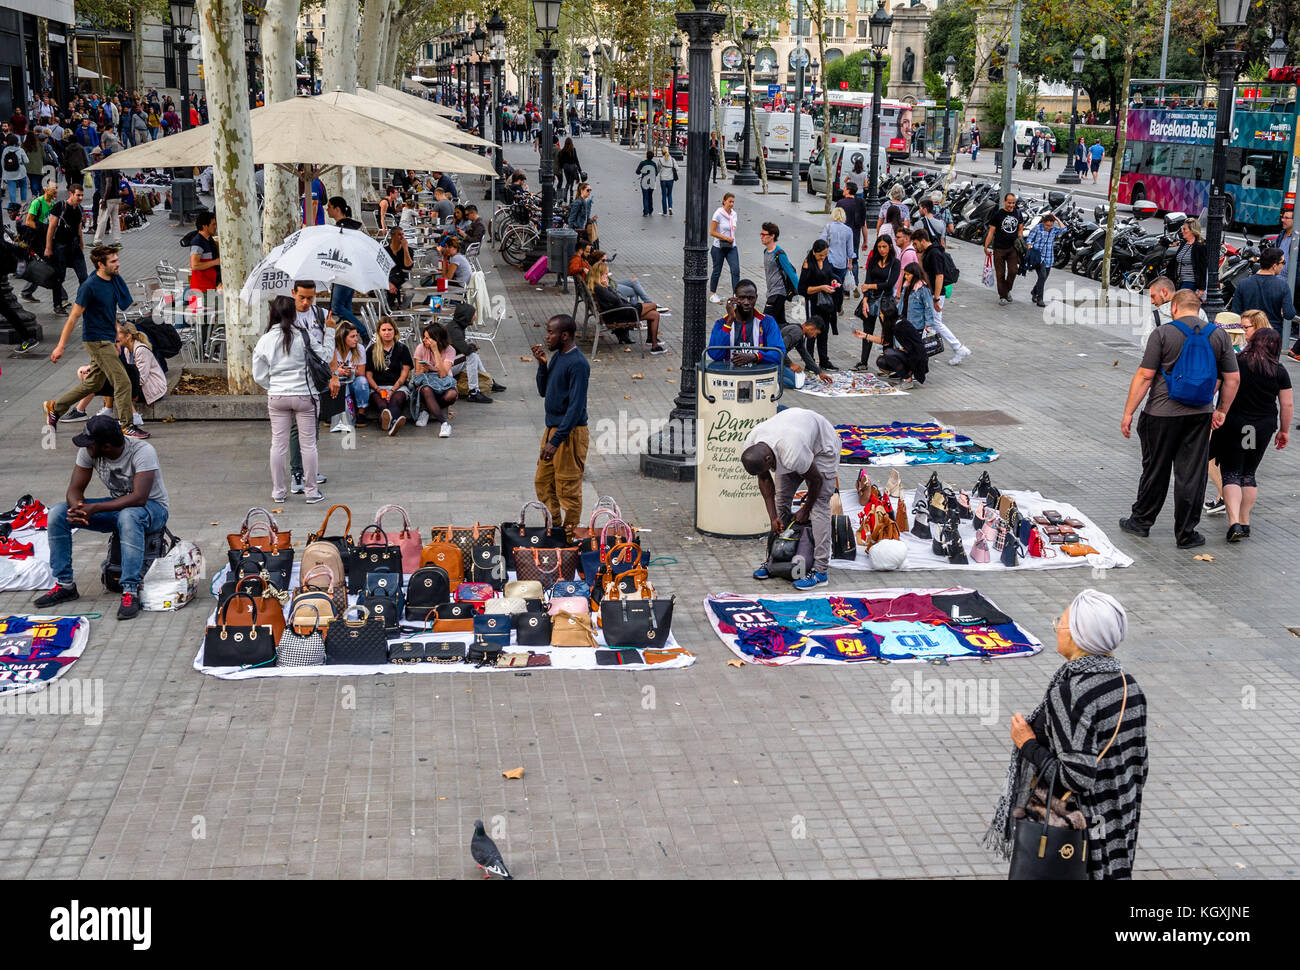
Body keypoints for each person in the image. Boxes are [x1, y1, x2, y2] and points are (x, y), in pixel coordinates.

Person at [985, 589, 1148, 880]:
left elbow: (1076, 777)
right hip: (1119, 820)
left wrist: (1027, 743)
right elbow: (1140, 763)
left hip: (1080, 831)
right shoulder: (1127, 683)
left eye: (1060, 621)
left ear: (1077, 635)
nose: (1056, 627)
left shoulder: (1071, 692)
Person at [1120, 289, 1239, 548]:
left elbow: (1145, 376)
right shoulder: (1218, 334)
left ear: (1174, 308)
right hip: (1199, 415)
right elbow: (1233, 379)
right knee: (1191, 475)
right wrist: (1221, 411)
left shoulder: (1163, 333)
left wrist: (1128, 412)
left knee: (1155, 469)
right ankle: (1186, 534)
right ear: (1198, 309)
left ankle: (1141, 522)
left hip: (1160, 414)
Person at [33, 415, 170, 620]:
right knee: (57, 513)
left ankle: (131, 590)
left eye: (90, 444)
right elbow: (74, 489)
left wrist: (95, 508)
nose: (85, 447)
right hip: (119, 507)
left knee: (129, 516)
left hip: (153, 509)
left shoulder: (142, 452)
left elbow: (140, 498)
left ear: (106, 446)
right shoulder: (89, 450)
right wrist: (77, 508)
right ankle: (65, 585)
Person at [44, 245, 144, 438]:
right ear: (100, 264)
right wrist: (61, 345)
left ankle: (54, 409)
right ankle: (127, 426)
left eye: (117, 260)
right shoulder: (89, 286)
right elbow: (73, 317)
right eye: (113, 261)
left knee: (93, 384)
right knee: (122, 381)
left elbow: (109, 311)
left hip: (107, 338)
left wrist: (116, 335)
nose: (118, 264)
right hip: (96, 340)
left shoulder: (113, 281)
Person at [1206, 327, 1292, 542]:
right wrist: (1284, 430)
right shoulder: (1278, 370)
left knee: (1232, 472)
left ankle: (1233, 520)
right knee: (1248, 474)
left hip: (1234, 423)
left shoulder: (1237, 363)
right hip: (1260, 427)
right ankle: (1245, 522)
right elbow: (1287, 404)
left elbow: (1215, 387)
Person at [743, 407, 841, 591]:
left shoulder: (791, 452)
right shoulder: (752, 443)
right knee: (781, 504)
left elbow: (816, 481)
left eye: (770, 466)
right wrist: (773, 517)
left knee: (818, 506)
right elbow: (764, 479)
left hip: (822, 448)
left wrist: (805, 508)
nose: (770, 470)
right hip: (793, 442)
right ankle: (775, 561)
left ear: (768, 457)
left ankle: (820, 572)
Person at [253, 294, 328, 504]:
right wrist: (328, 332)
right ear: (293, 313)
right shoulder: (304, 336)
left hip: (277, 396)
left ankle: (278, 492)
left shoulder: (265, 339)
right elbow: (323, 355)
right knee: (308, 445)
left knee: (277, 445)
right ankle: (311, 491)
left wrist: (273, 386)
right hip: (305, 395)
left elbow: (258, 374)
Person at [532, 314, 590, 540]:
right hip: (553, 429)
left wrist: (555, 442)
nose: (546, 337)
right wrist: (542, 366)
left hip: (570, 433)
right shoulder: (557, 357)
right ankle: (556, 528)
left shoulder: (578, 364)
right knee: (543, 482)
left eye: (550, 332)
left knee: (568, 489)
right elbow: (543, 391)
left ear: (564, 335)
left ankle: (569, 536)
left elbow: (575, 409)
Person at [855, 260, 934, 389]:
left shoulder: (922, 289)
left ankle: (909, 375)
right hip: (905, 320)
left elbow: (928, 307)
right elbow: (901, 304)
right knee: (890, 352)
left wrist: (928, 324)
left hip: (916, 324)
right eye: (906, 275)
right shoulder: (906, 287)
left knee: (907, 349)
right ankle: (904, 371)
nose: (906, 277)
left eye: (908, 275)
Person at [912, 227, 969, 365]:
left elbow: (939, 276)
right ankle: (925, 351)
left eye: (915, 244)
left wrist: (936, 297)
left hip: (937, 294)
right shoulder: (928, 253)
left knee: (936, 322)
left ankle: (959, 348)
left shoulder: (934, 254)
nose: (914, 247)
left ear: (923, 240)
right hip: (932, 293)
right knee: (932, 323)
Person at [588, 258, 666, 353]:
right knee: (653, 305)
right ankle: (652, 342)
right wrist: (608, 287)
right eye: (605, 274)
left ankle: (653, 343)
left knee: (655, 315)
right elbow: (616, 300)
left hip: (620, 311)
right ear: (599, 274)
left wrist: (607, 287)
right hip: (620, 314)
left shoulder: (599, 286)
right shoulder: (600, 288)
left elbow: (616, 301)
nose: (607, 276)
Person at [706, 279, 785, 370]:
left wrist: (755, 357)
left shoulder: (767, 322)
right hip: (729, 376)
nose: (746, 302)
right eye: (742, 298)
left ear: (756, 298)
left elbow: (779, 353)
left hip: (759, 375)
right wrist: (729, 322)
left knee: (793, 381)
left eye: (750, 298)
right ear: (734, 298)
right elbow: (715, 355)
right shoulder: (722, 323)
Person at [853, 235, 900, 371]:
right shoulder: (873, 260)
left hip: (886, 302)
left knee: (887, 332)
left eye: (884, 246)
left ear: (890, 246)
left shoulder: (895, 263)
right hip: (871, 300)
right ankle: (863, 362)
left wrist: (870, 286)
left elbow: (889, 284)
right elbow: (867, 280)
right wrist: (865, 300)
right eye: (879, 247)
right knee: (867, 330)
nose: (882, 249)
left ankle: (889, 363)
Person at [365, 316, 414, 437]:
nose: (387, 333)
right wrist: (378, 389)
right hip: (377, 386)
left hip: (397, 386)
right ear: (379, 332)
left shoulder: (402, 349)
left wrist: (392, 390)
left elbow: (404, 374)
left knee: (396, 400)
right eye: (384, 330)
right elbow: (368, 374)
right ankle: (391, 423)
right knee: (381, 403)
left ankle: (388, 423)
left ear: (395, 331)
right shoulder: (372, 350)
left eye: (390, 329)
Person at [412, 322, 461, 437]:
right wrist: (425, 369)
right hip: (427, 381)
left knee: (452, 394)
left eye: (427, 338)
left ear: (437, 340)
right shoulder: (420, 348)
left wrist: (435, 351)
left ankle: (427, 411)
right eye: (424, 337)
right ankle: (444, 424)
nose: (424, 340)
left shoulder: (450, 350)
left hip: (443, 381)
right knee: (427, 390)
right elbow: (418, 373)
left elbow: (443, 374)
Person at [798, 239, 840, 371]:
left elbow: (829, 273)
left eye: (825, 255)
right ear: (814, 252)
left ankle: (824, 360)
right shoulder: (807, 264)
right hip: (813, 302)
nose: (823, 257)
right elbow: (803, 289)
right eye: (821, 255)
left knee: (824, 331)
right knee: (811, 332)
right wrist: (821, 287)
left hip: (825, 303)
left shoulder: (826, 260)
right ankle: (809, 361)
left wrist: (833, 280)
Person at [1230, 247, 1293, 332]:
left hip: (1248, 332)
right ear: (1274, 266)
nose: (1284, 265)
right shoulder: (1282, 286)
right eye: (1283, 262)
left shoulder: (1243, 284)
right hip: (1272, 333)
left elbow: (1236, 312)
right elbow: (1289, 314)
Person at [327, 321, 369, 433]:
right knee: (329, 381)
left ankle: (361, 413)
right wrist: (337, 372)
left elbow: (361, 372)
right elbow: (326, 371)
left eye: (356, 336)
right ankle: (330, 414)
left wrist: (350, 371)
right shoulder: (333, 349)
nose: (356, 339)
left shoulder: (359, 348)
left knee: (362, 381)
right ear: (342, 338)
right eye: (352, 336)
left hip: (353, 382)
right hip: (337, 382)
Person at [984, 192, 1025, 305]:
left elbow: (1020, 228)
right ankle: (1003, 295)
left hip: (1013, 248)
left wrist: (1020, 239)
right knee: (1000, 274)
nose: (1011, 205)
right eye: (1009, 203)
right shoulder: (998, 215)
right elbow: (991, 231)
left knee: (1013, 271)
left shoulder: (1017, 213)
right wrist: (986, 246)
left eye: (1013, 203)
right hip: (999, 248)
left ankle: (1006, 290)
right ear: (1004, 202)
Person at [760, 222, 800, 329]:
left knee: (764, 323)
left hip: (778, 293)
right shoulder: (766, 251)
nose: (761, 237)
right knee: (780, 323)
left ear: (772, 236)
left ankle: (800, 330)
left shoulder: (779, 254)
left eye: (764, 235)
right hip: (771, 292)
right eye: (761, 234)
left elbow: (791, 273)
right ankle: (796, 337)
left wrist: (800, 293)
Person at [1025, 211, 1067, 308]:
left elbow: (1064, 229)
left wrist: (1056, 219)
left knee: (1043, 278)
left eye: (1051, 226)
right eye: (1047, 225)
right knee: (1042, 276)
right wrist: (1030, 251)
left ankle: (1034, 291)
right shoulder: (1037, 228)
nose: (1048, 228)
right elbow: (1029, 240)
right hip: (1038, 257)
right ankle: (1040, 299)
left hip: (1049, 257)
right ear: (1043, 222)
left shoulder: (1053, 230)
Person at [820, 207, 854, 314]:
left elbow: (821, 242)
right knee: (838, 285)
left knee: (829, 283)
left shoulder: (828, 227)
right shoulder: (848, 230)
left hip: (829, 261)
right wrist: (850, 263)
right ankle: (838, 305)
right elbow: (850, 250)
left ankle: (830, 303)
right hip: (841, 263)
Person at [708, 192, 740, 303]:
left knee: (735, 270)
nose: (731, 204)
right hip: (719, 247)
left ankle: (736, 295)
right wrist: (726, 238)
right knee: (717, 270)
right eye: (730, 201)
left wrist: (730, 240)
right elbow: (711, 232)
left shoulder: (734, 214)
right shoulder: (718, 214)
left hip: (731, 246)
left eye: (733, 202)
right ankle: (713, 293)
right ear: (724, 201)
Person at [836, 181, 866, 295]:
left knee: (843, 261)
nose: (843, 190)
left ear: (848, 190)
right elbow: (864, 224)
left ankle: (846, 290)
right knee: (854, 260)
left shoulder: (841, 203)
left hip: (842, 237)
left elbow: (836, 220)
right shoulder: (859, 203)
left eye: (844, 188)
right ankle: (855, 284)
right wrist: (866, 240)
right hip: (855, 236)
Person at [186, 209, 220, 300]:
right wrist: (215, 262)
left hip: (210, 287)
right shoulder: (198, 242)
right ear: (205, 226)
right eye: (213, 224)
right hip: (201, 290)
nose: (215, 227)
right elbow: (194, 265)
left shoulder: (209, 240)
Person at [1170, 218, 1208, 298]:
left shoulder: (1199, 247)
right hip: (1179, 281)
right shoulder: (1183, 244)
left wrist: (1202, 288)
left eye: (1184, 229)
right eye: (1182, 229)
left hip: (1190, 281)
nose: (1182, 231)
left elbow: (1202, 268)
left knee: (1180, 301)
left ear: (1192, 230)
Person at [91, 150, 121, 245]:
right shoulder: (116, 167)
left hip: (108, 198)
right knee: (115, 220)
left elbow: (109, 183)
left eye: (102, 155)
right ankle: (117, 241)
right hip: (116, 196)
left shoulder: (106, 167)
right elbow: (118, 182)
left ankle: (97, 241)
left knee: (102, 219)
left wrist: (104, 199)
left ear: (106, 156)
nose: (100, 156)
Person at [1, 133, 29, 213]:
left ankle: (13, 206)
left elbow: (2, 163)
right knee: (23, 187)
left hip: (9, 174)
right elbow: (27, 161)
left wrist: (4, 175)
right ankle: (23, 204)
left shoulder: (5, 151)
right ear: (16, 141)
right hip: (21, 173)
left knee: (11, 190)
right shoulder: (20, 150)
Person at [386, 226, 414, 300]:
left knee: (410, 290)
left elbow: (408, 266)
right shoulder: (385, 251)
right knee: (383, 291)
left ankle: (401, 309)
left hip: (402, 278)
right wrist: (388, 283)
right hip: (388, 279)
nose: (402, 237)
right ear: (392, 236)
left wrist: (405, 248)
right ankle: (388, 308)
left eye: (403, 234)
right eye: (399, 235)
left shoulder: (408, 250)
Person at [557, 137, 581, 203]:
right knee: (572, 183)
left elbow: (560, 159)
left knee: (568, 182)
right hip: (572, 167)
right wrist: (580, 170)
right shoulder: (573, 149)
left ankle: (565, 194)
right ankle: (571, 197)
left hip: (566, 167)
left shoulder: (563, 150)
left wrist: (562, 166)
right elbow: (576, 160)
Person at [656, 146, 678, 216]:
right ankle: (670, 207)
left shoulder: (660, 160)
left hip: (663, 180)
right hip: (670, 179)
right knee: (669, 194)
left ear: (662, 152)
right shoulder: (672, 159)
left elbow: (658, 170)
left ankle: (664, 212)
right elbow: (677, 168)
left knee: (664, 195)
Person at [635, 150, 657, 217]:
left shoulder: (643, 163)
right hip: (652, 182)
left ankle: (645, 212)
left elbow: (637, 172)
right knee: (650, 196)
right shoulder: (653, 164)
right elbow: (656, 173)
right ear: (652, 157)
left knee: (645, 197)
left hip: (644, 182)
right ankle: (650, 210)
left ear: (646, 156)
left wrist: (642, 171)